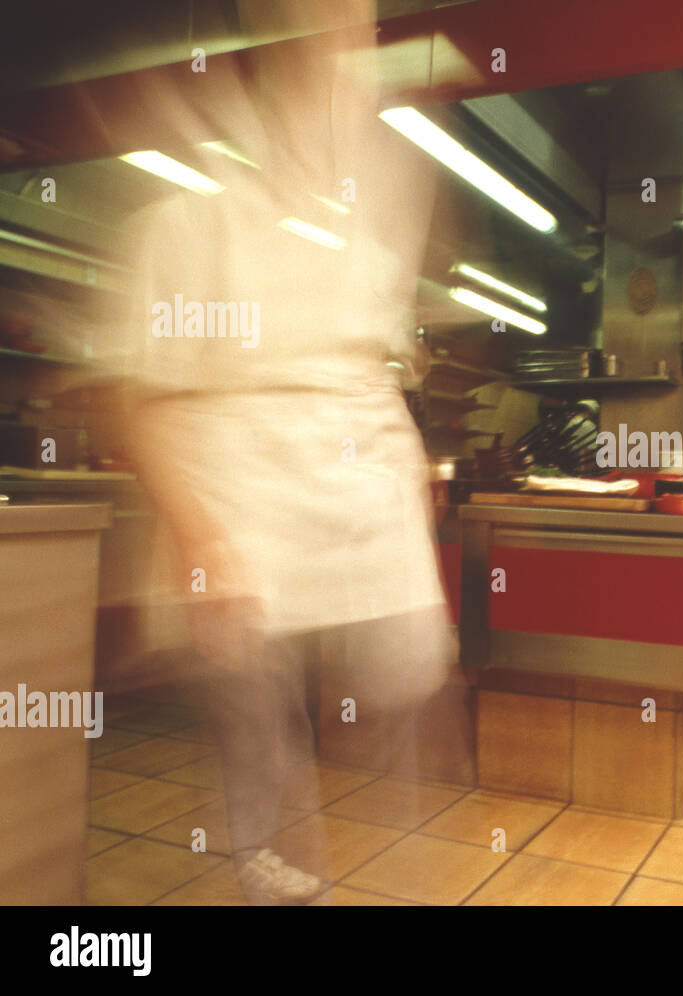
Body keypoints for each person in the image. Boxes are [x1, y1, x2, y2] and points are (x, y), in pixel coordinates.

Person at [105, 0, 464, 904]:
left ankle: (398, 880)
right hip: (241, 513)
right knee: (257, 733)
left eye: (355, 50)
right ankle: (266, 870)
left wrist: (408, 472)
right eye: (321, 54)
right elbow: (135, 400)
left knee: (409, 702)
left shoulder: (368, 227)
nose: (345, 86)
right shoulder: (189, 226)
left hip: (358, 503)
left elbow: (376, 371)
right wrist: (198, 536)